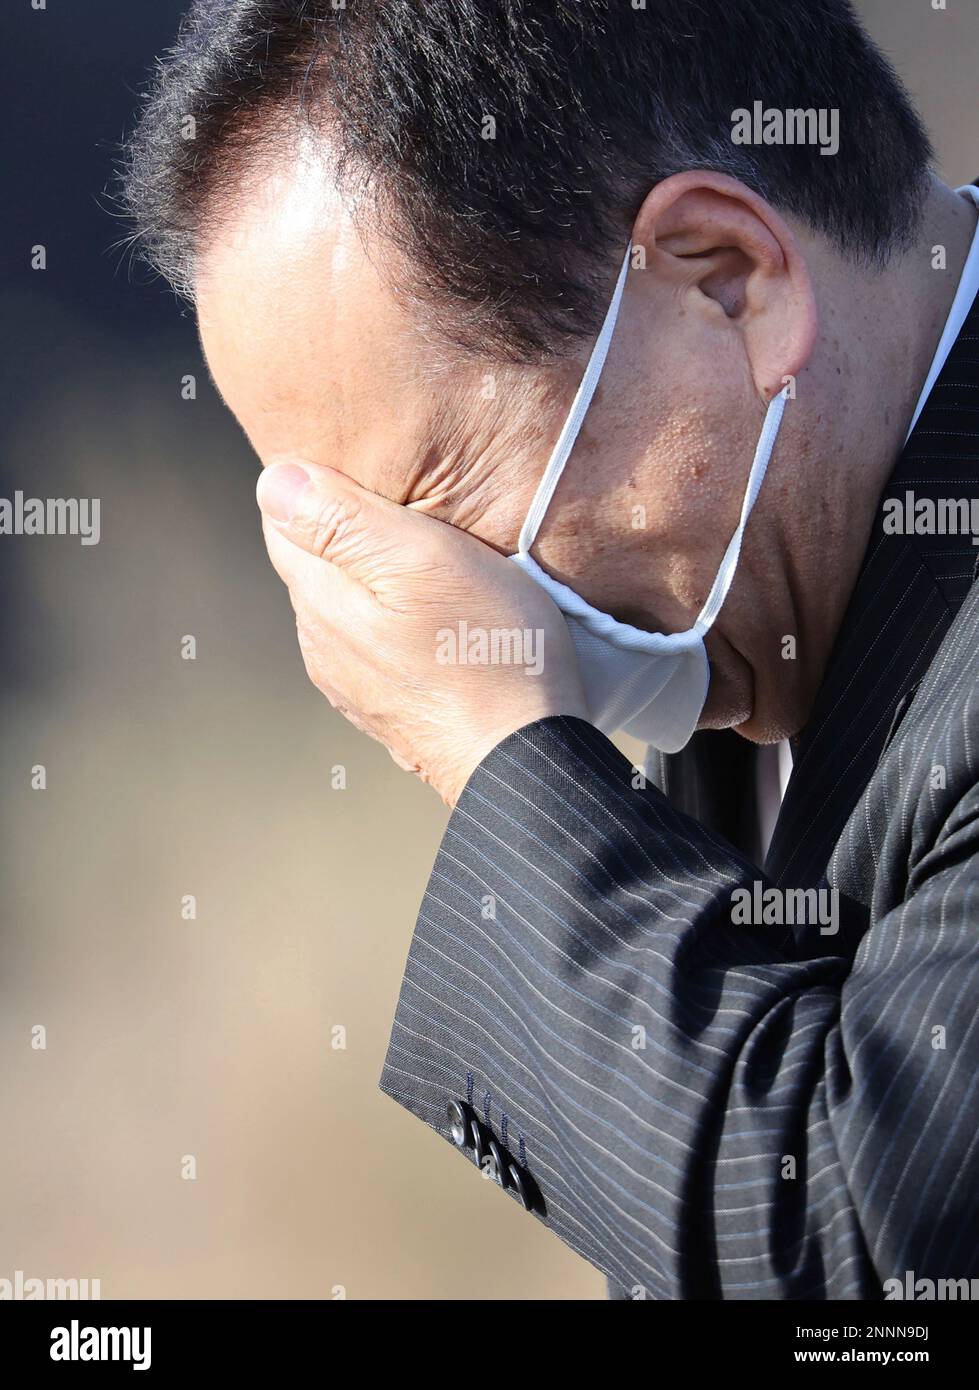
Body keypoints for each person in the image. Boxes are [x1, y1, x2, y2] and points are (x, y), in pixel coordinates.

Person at [123, 0, 979, 1298]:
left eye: (443, 518)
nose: (436, 607)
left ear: (724, 282)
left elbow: (870, 1255)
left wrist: (501, 749)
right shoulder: (764, 608)